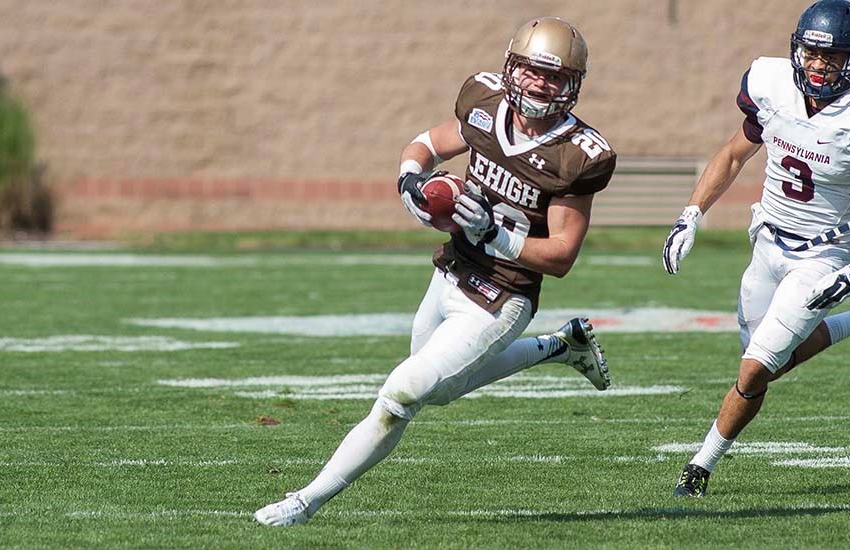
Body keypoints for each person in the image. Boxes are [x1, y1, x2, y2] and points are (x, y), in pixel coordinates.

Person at [254, 16, 617, 526]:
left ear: (574, 85)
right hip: (450, 271)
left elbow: (560, 256)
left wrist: (498, 235)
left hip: (501, 294)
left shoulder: (576, 155)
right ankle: (560, 345)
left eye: (555, 77)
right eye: (534, 71)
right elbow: (425, 143)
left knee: (402, 393)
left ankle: (304, 501)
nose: (542, 84)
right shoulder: (483, 103)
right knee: (438, 389)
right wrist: (410, 183)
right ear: (511, 67)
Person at [661, 0, 850, 497]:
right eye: (811, 53)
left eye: (833, 56)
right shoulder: (771, 84)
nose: (819, 65)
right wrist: (691, 214)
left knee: (756, 369)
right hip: (767, 243)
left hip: (822, 255)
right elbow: (735, 153)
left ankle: (700, 466)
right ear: (795, 49)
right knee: (771, 359)